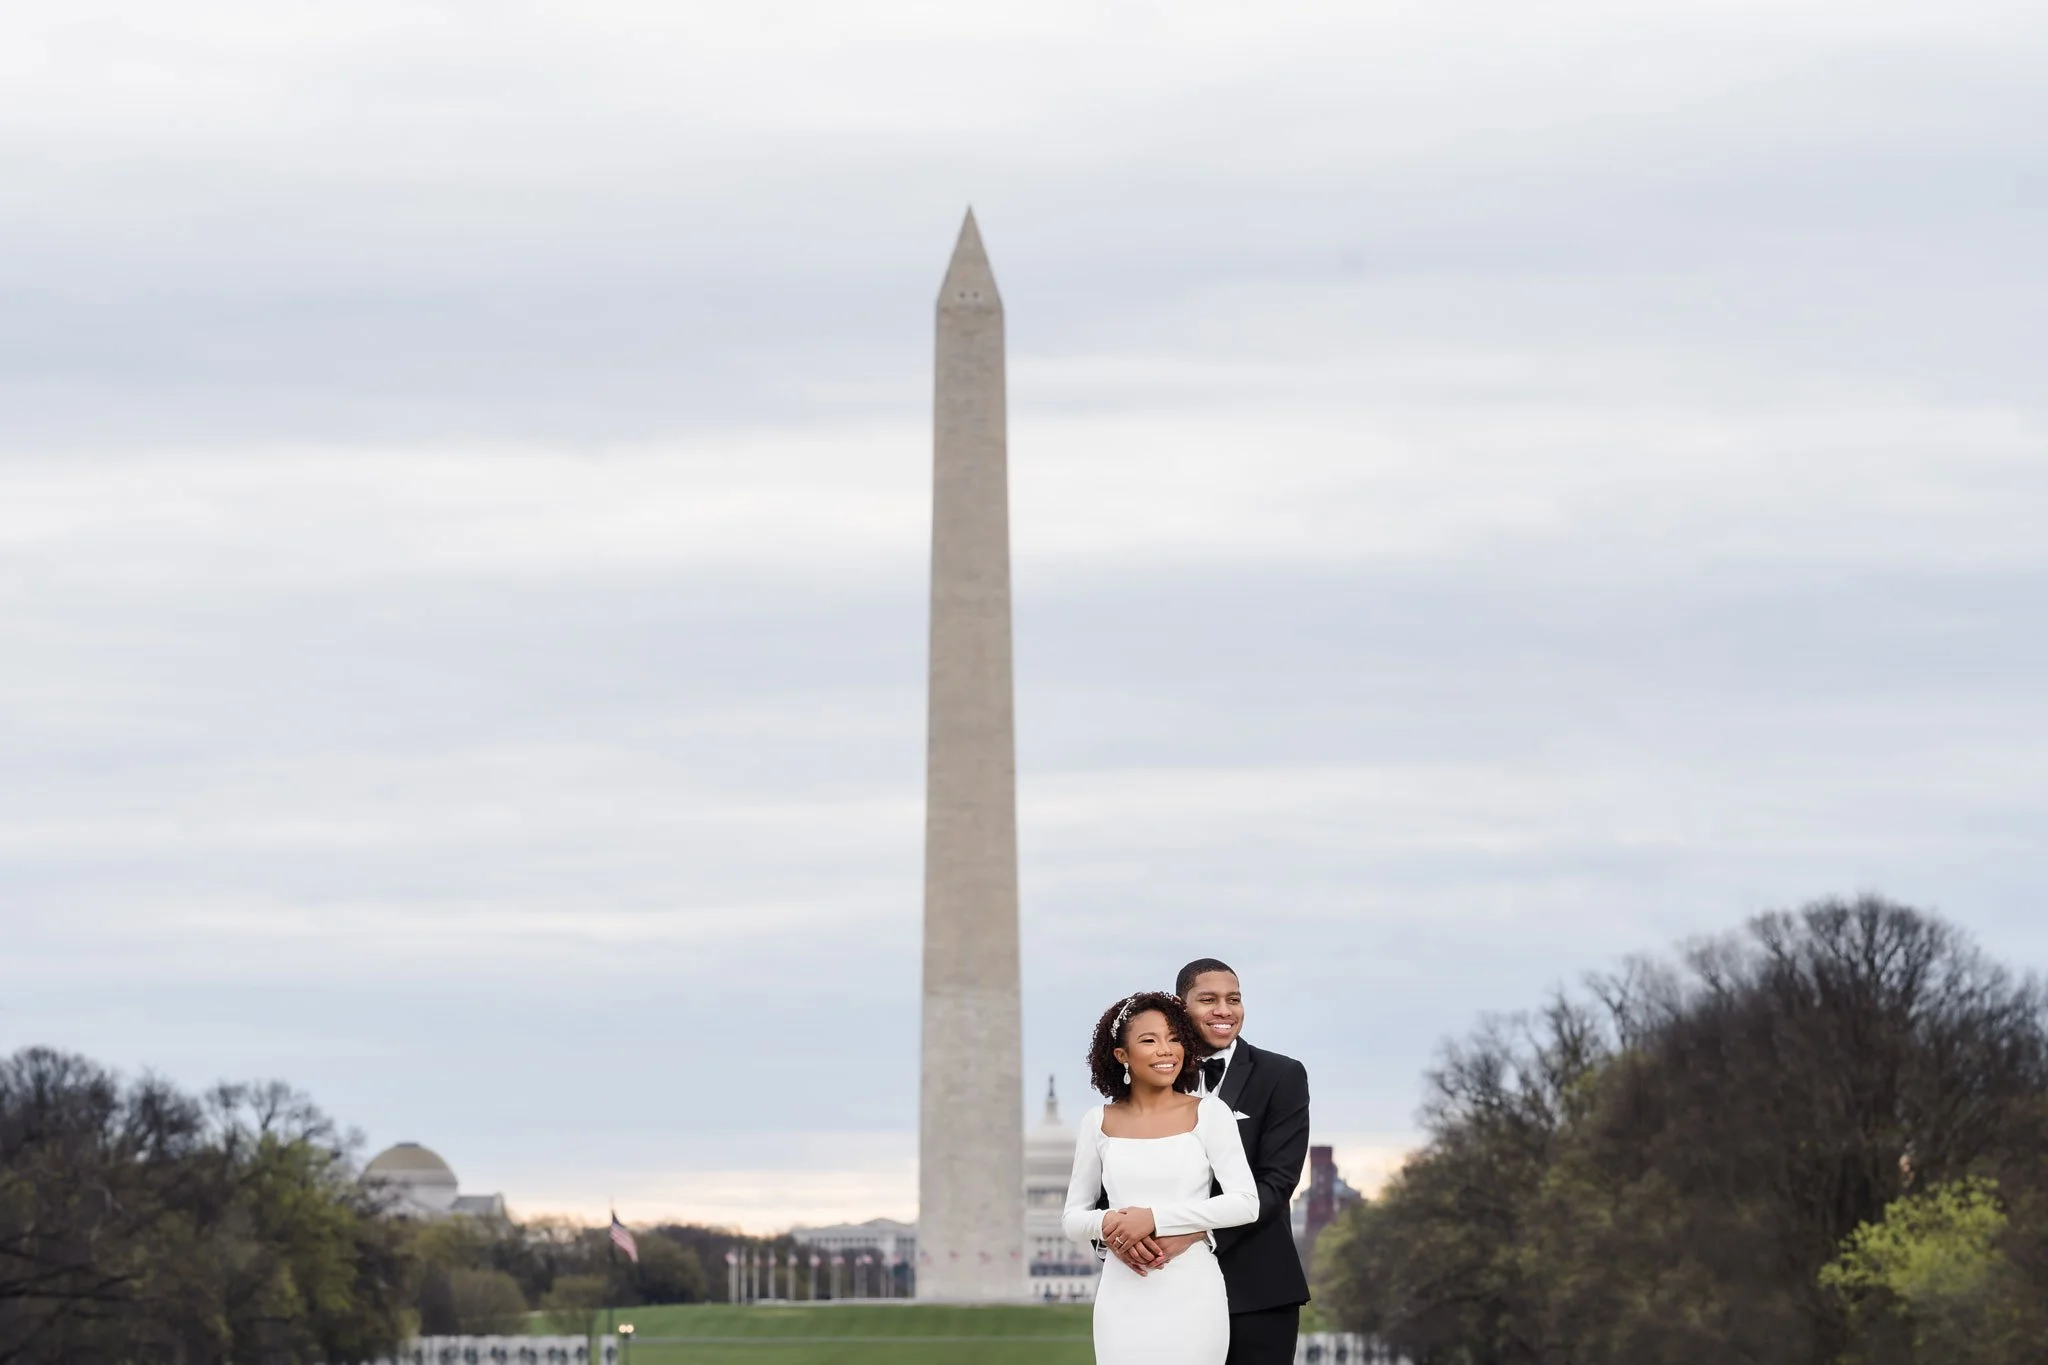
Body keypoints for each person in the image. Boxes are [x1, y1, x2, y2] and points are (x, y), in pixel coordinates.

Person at [1109, 959, 1311, 1365]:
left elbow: (1276, 1182)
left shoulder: (1282, 1075)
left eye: (1233, 999)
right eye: (1209, 999)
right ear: (1180, 1008)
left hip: (1257, 1289)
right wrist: (1117, 1242)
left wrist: (1194, 1233)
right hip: (1160, 1285)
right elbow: (1112, 1175)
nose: (1224, 1010)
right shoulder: (1148, 1076)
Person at [1063, 991, 1258, 1364]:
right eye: (1149, 1040)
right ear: (1122, 1055)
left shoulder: (1210, 1113)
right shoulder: (1097, 1122)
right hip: (1123, 1292)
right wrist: (1112, 1226)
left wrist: (1154, 1219)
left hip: (1192, 1290)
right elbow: (1073, 1219)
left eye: (1174, 1039)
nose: (1166, 1050)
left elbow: (1245, 1203)